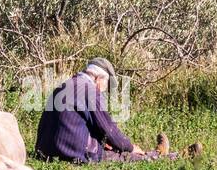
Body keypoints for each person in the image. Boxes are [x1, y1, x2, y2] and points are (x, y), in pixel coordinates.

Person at [35, 58, 190, 164]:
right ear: (98, 79)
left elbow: (76, 123)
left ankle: (161, 153)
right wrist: (129, 146)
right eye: (106, 86)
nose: (105, 90)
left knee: (114, 149)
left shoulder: (63, 86)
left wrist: (106, 142)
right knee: (126, 157)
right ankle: (176, 156)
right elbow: (108, 129)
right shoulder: (89, 90)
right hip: (73, 153)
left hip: (46, 152)